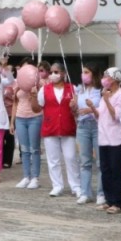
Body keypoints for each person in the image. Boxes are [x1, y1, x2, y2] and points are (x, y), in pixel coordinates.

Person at [37, 62, 80, 197]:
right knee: (53, 159)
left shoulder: (72, 89)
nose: (53, 75)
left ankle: (76, 186)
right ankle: (57, 185)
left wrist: (74, 106)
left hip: (68, 127)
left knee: (71, 157)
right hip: (51, 127)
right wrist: (32, 96)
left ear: (63, 74)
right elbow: (39, 107)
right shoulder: (44, 89)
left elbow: (77, 109)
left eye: (56, 72)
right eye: (51, 72)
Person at [97, 67, 121, 213]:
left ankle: (118, 202)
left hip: (116, 138)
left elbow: (116, 116)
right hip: (103, 137)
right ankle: (109, 199)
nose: (104, 78)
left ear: (115, 79)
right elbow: (101, 115)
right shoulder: (105, 94)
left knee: (116, 171)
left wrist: (107, 100)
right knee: (105, 170)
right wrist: (92, 108)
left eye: (106, 76)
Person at [11, 58, 44, 189]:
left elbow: (42, 102)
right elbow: (15, 103)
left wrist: (35, 93)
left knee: (34, 149)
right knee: (24, 149)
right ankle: (26, 176)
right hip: (20, 118)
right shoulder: (17, 83)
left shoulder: (39, 83)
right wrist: (11, 122)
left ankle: (35, 177)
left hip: (34, 117)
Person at [75, 65, 101, 205]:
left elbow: (103, 109)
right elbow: (76, 110)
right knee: (85, 161)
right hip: (83, 126)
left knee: (100, 162)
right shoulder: (80, 90)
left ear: (94, 74)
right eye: (82, 72)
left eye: (86, 72)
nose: (83, 75)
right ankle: (85, 192)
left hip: (97, 126)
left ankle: (101, 193)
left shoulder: (101, 90)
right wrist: (73, 106)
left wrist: (91, 109)